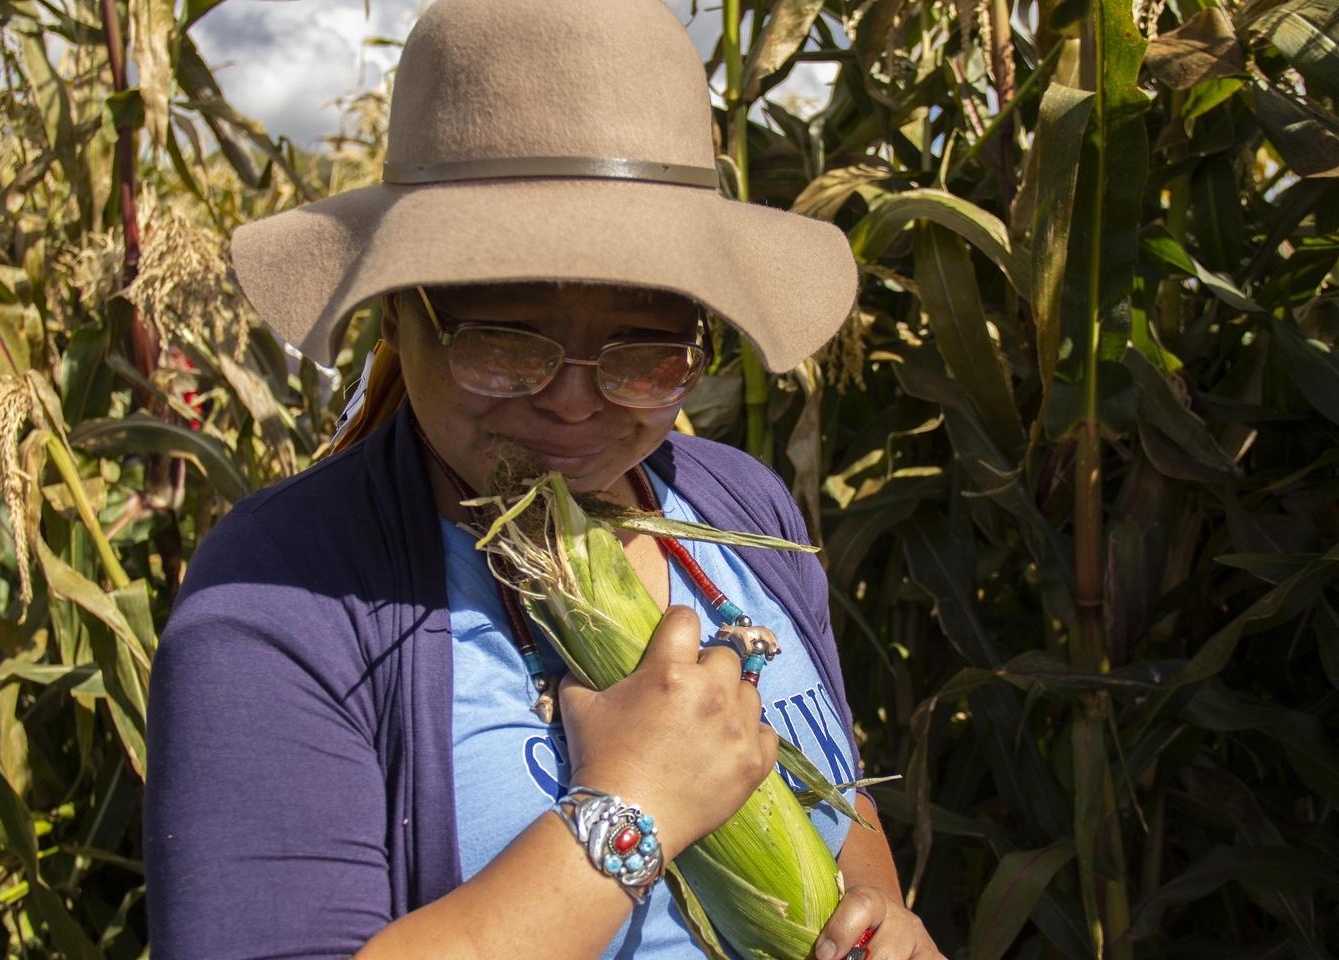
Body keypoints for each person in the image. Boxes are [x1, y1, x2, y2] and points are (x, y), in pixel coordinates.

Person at [142, 1, 944, 958]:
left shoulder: (739, 506)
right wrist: (630, 806)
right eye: (504, 344)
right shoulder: (280, 597)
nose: (572, 405)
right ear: (398, 315)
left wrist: (878, 913)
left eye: (644, 354)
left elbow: (842, 809)